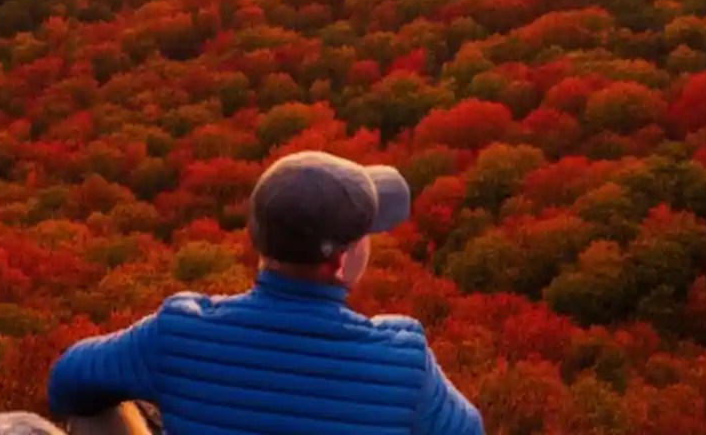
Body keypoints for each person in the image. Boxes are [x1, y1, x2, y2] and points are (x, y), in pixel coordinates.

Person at [47, 150, 485, 435]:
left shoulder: (182, 331)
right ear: (339, 262)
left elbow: (67, 381)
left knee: (95, 414)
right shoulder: (402, 357)